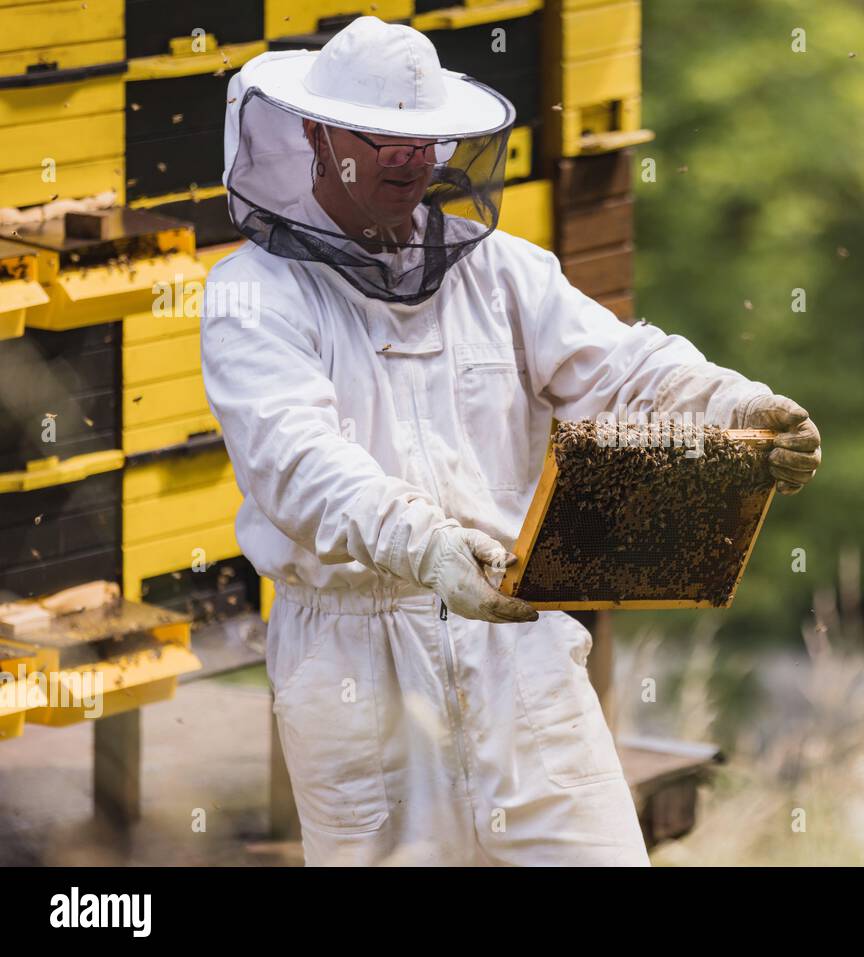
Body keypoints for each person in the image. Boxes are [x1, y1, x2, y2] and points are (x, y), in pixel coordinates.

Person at [201, 16, 821, 866]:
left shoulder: (503, 273)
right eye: (379, 136)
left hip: (515, 647)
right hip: (357, 668)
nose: (406, 159)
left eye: (422, 140)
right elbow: (297, 463)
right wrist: (425, 544)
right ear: (315, 133)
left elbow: (627, 368)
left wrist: (737, 407)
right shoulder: (251, 295)